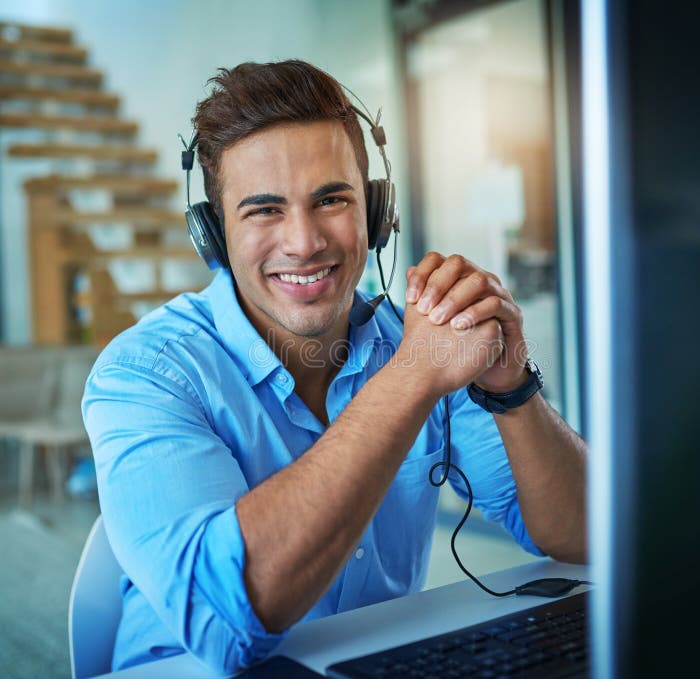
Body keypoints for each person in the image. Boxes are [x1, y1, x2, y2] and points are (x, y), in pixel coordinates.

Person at [82, 60, 587, 675]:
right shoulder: (144, 374)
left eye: (331, 199)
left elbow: (587, 536)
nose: (303, 241)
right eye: (264, 210)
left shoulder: (412, 343)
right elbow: (233, 620)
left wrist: (513, 391)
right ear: (214, 235)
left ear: (376, 213)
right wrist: (411, 377)